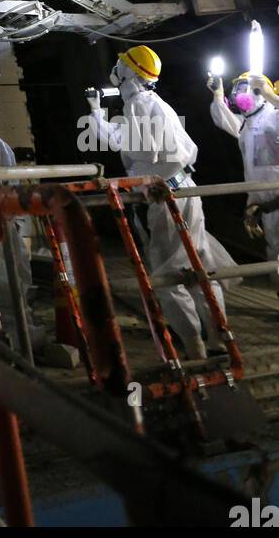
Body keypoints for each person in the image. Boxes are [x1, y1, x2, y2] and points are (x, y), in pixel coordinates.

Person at [85, 45, 235, 360]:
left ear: (127, 72)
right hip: (186, 190)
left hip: (165, 198)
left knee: (169, 274)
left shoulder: (138, 104)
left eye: (119, 65)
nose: (116, 69)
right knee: (200, 267)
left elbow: (144, 154)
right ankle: (218, 337)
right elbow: (124, 139)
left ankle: (193, 345)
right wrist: (96, 112)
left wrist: (133, 180)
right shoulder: (155, 103)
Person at [209, 71, 279, 287]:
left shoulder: (273, 116)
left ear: (259, 91)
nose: (237, 93)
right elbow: (224, 119)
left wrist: (272, 97)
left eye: (243, 87)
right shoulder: (246, 125)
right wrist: (218, 96)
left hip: (276, 199)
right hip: (265, 205)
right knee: (274, 250)